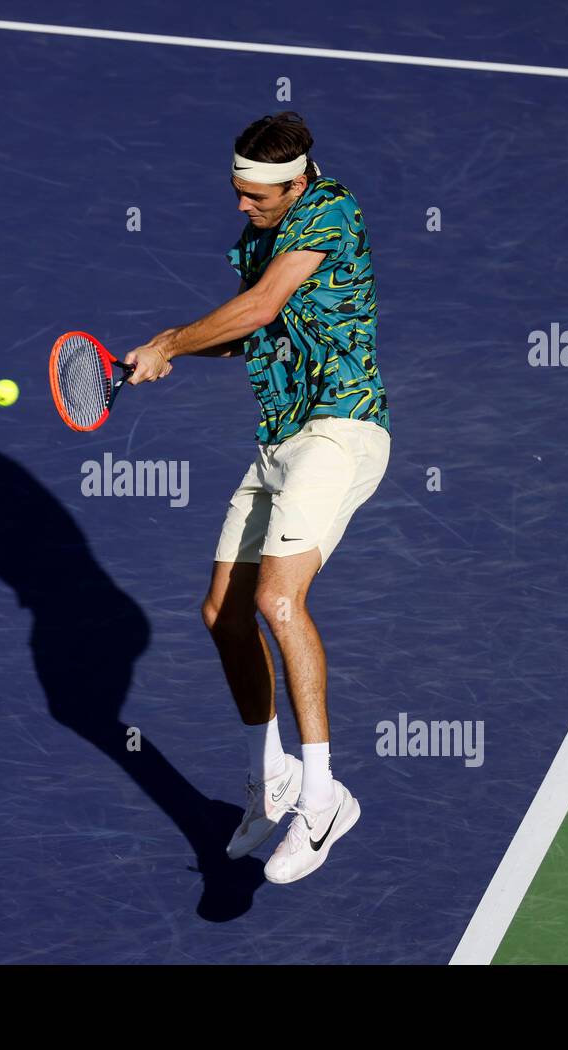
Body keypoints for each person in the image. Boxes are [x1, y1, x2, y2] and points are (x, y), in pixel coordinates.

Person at [123, 112, 390, 884]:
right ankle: (268, 780)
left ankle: (324, 795)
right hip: (280, 442)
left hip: (341, 429)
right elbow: (253, 332)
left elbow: (265, 305)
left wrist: (173, 340)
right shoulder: (257, 239)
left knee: (279, 602)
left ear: (296, 181)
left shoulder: (330, 208)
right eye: (237, 193)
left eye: (256, 197)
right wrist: (171, 348)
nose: (243, 207)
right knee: (222, 611)